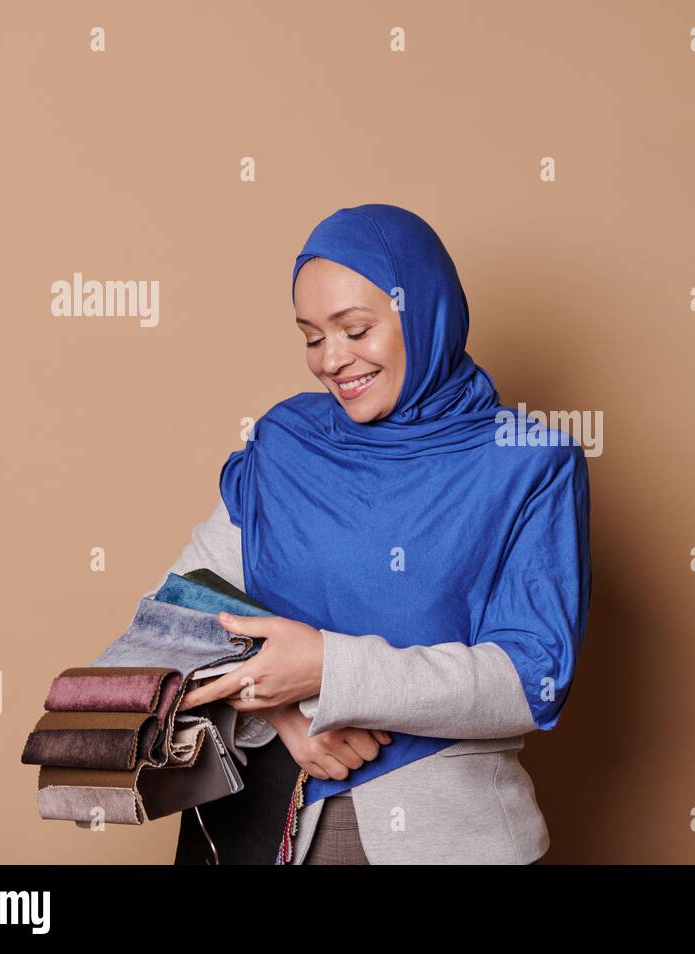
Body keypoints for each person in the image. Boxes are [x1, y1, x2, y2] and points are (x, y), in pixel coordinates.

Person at [157, 203, 591, 864]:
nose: (332, 360)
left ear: (424, 313)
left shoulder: (527, 462)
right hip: (254, 823)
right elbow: (176, 613)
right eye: (311, 336)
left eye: (355, 329)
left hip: (445, 838)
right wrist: (283, 713)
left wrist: (327, 668)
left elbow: (529, 680)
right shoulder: (285, 447)